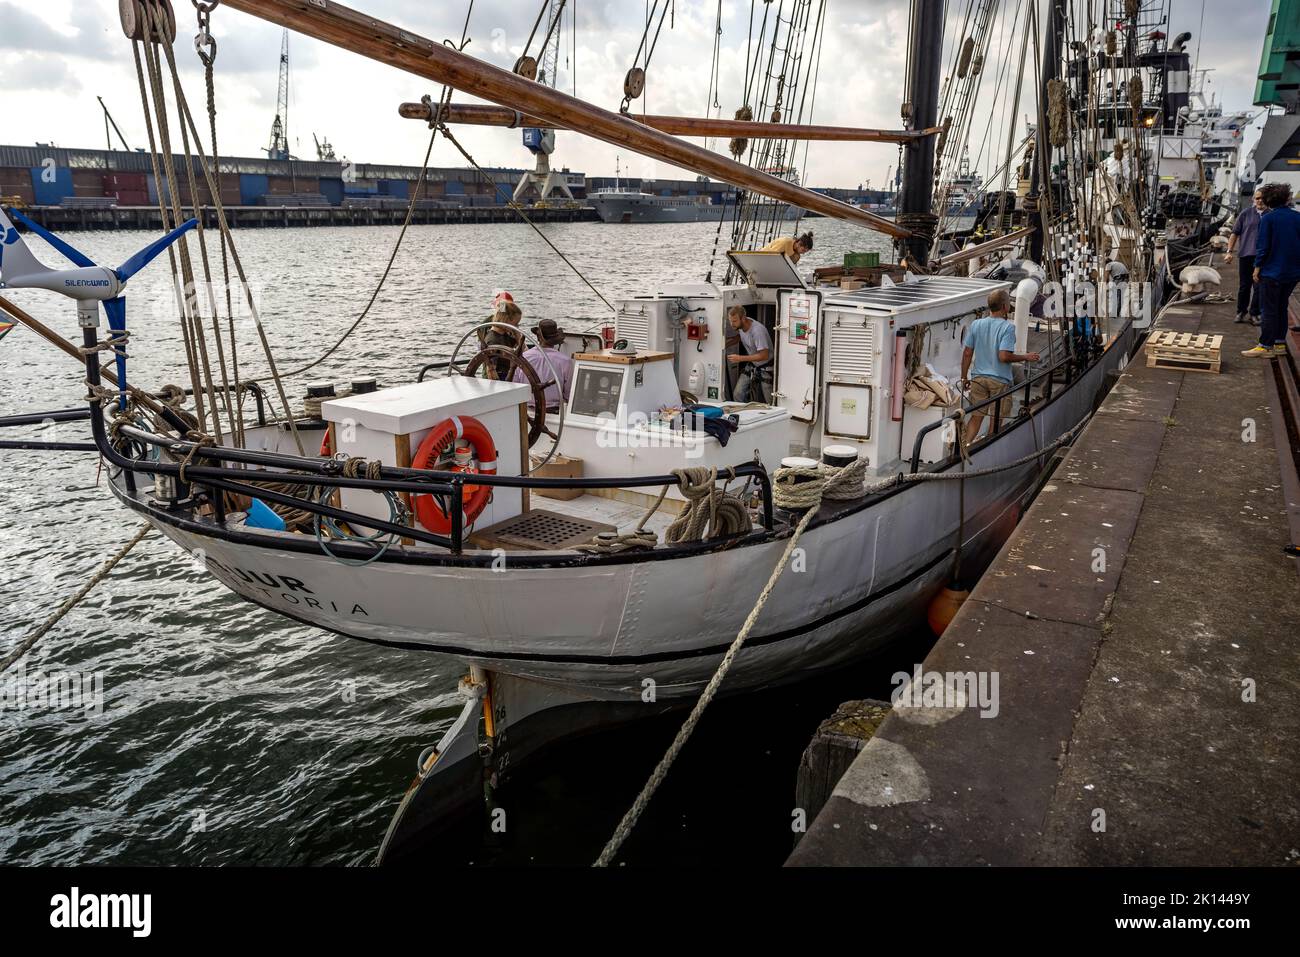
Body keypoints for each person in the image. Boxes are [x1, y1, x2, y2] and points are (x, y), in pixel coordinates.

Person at [959, 289, 1040, 445]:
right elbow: (1003, 356)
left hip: (978, 379)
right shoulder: (1007, 328)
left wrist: (964, 377)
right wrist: (1026, 356)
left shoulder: (976, 324)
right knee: (996, 420)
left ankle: (965, 448)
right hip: (999, 381)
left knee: (976, 417)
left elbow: (967, 353)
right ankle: (987, 450)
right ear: (1004, 306)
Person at [1243, 182, 1300, 357]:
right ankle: (1280, 344)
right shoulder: (1298, 217)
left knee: (1268, 309)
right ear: (1287, 198)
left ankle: (1265, 345)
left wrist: (1257, 268)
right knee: (1282, 307)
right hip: (1292, 273)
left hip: (1271, 271)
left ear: (1268, 200)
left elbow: (1263, 247)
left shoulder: (1268, 218)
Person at [513, 318, 573, 409]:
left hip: (526, 409)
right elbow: (569, 394)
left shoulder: (523, 357)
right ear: (556, 339)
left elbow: (515, 386)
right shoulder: (565, 361)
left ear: (538, 337)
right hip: (554, 410)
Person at [1225, 189, 1265, 324]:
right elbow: (1234, 233)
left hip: (1263, 257)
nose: (1260, 200)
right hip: (1246, 255)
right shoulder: (1245, 214)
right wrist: (1229, 251)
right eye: (1258, 198)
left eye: (1262, 198)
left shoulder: (1270, 215)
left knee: (1259, 287)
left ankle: (1255, 314)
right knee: (1244, 286)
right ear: (1253, 199)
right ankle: (1241, 311)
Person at [726, 305, 773, 403]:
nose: (732, 324)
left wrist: (739, 358)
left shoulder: (757, 331)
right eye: (730, 321)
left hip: (766, 367)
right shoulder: (742, 325)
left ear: (743, 318)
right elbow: (741, 336)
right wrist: (726, 344)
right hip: (753, 365)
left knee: (770, 401)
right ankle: (743, 416)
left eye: (734, 321)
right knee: (738, 394)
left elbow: (764, 355)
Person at [480, 291, 524, 378]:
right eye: (515, 324)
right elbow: (491, 371)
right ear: (506, 320)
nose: (517, 327)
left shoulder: (507, 335)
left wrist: (517, 334)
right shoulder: (493, 340)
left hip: (508, 374)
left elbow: (523, 351)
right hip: (499, 379)